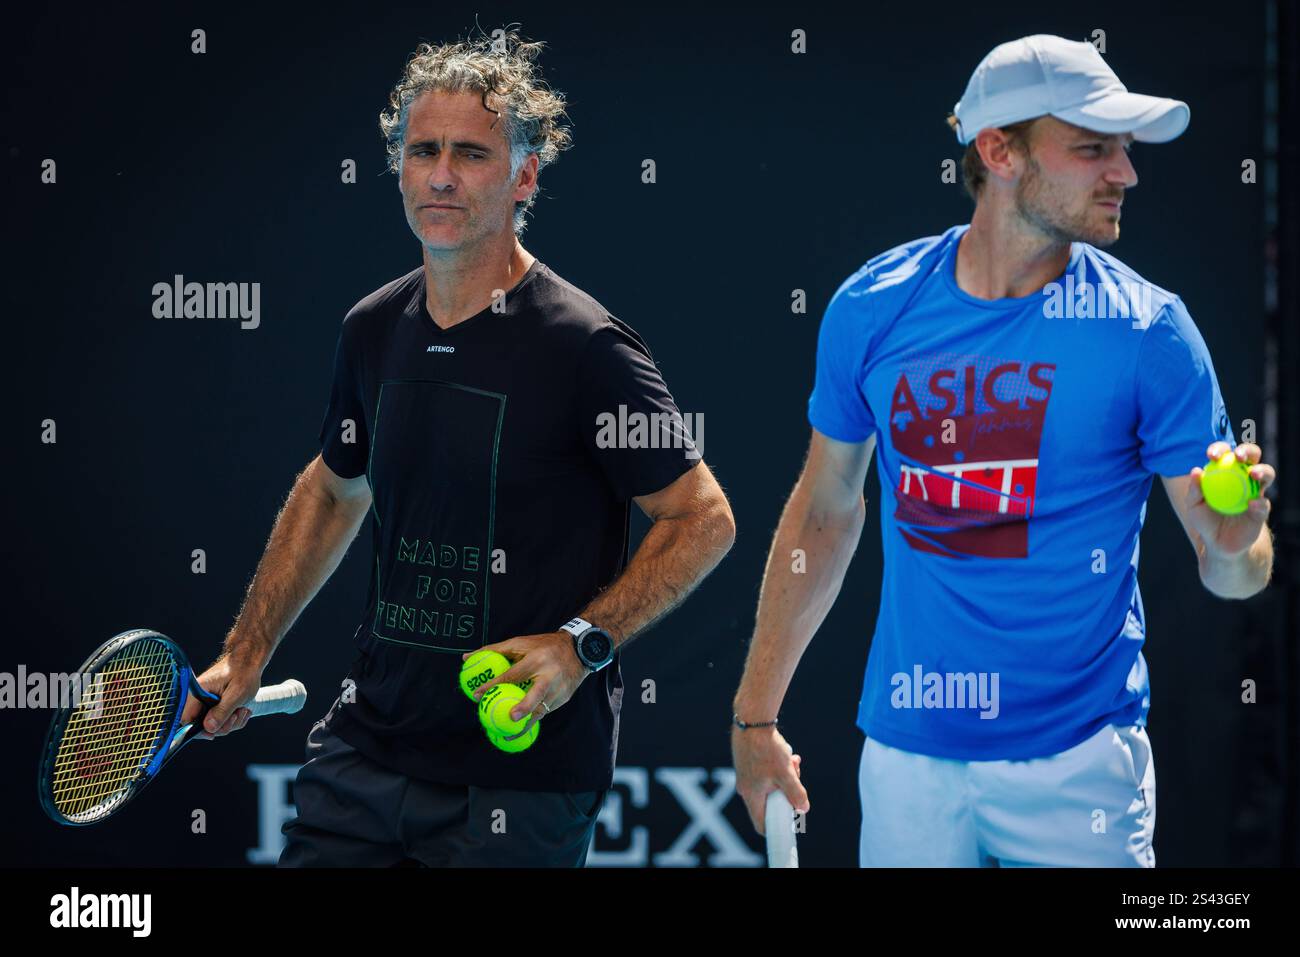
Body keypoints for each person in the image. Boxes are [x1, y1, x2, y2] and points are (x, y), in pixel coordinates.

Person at [182, 31, 735, 867]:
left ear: (524, 176)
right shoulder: (371, 329)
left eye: (471, 154)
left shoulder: (587, 346)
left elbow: (704, 517)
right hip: (364, 757)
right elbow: (334, 488)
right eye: (422, 150)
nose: (440, 175)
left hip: (520, 789)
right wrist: (248, 650)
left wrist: (580, 644)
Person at [731, 34, 1276, 867]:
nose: (1124, 172)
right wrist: (756, 716)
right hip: (908, 759)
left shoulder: (1150, 331)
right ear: (999, 152)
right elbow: (826, 511)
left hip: (1083, 765)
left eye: (1124, 150)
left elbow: (1232, 569)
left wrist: (1237, 544)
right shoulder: (870, 308)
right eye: (1093, 148)